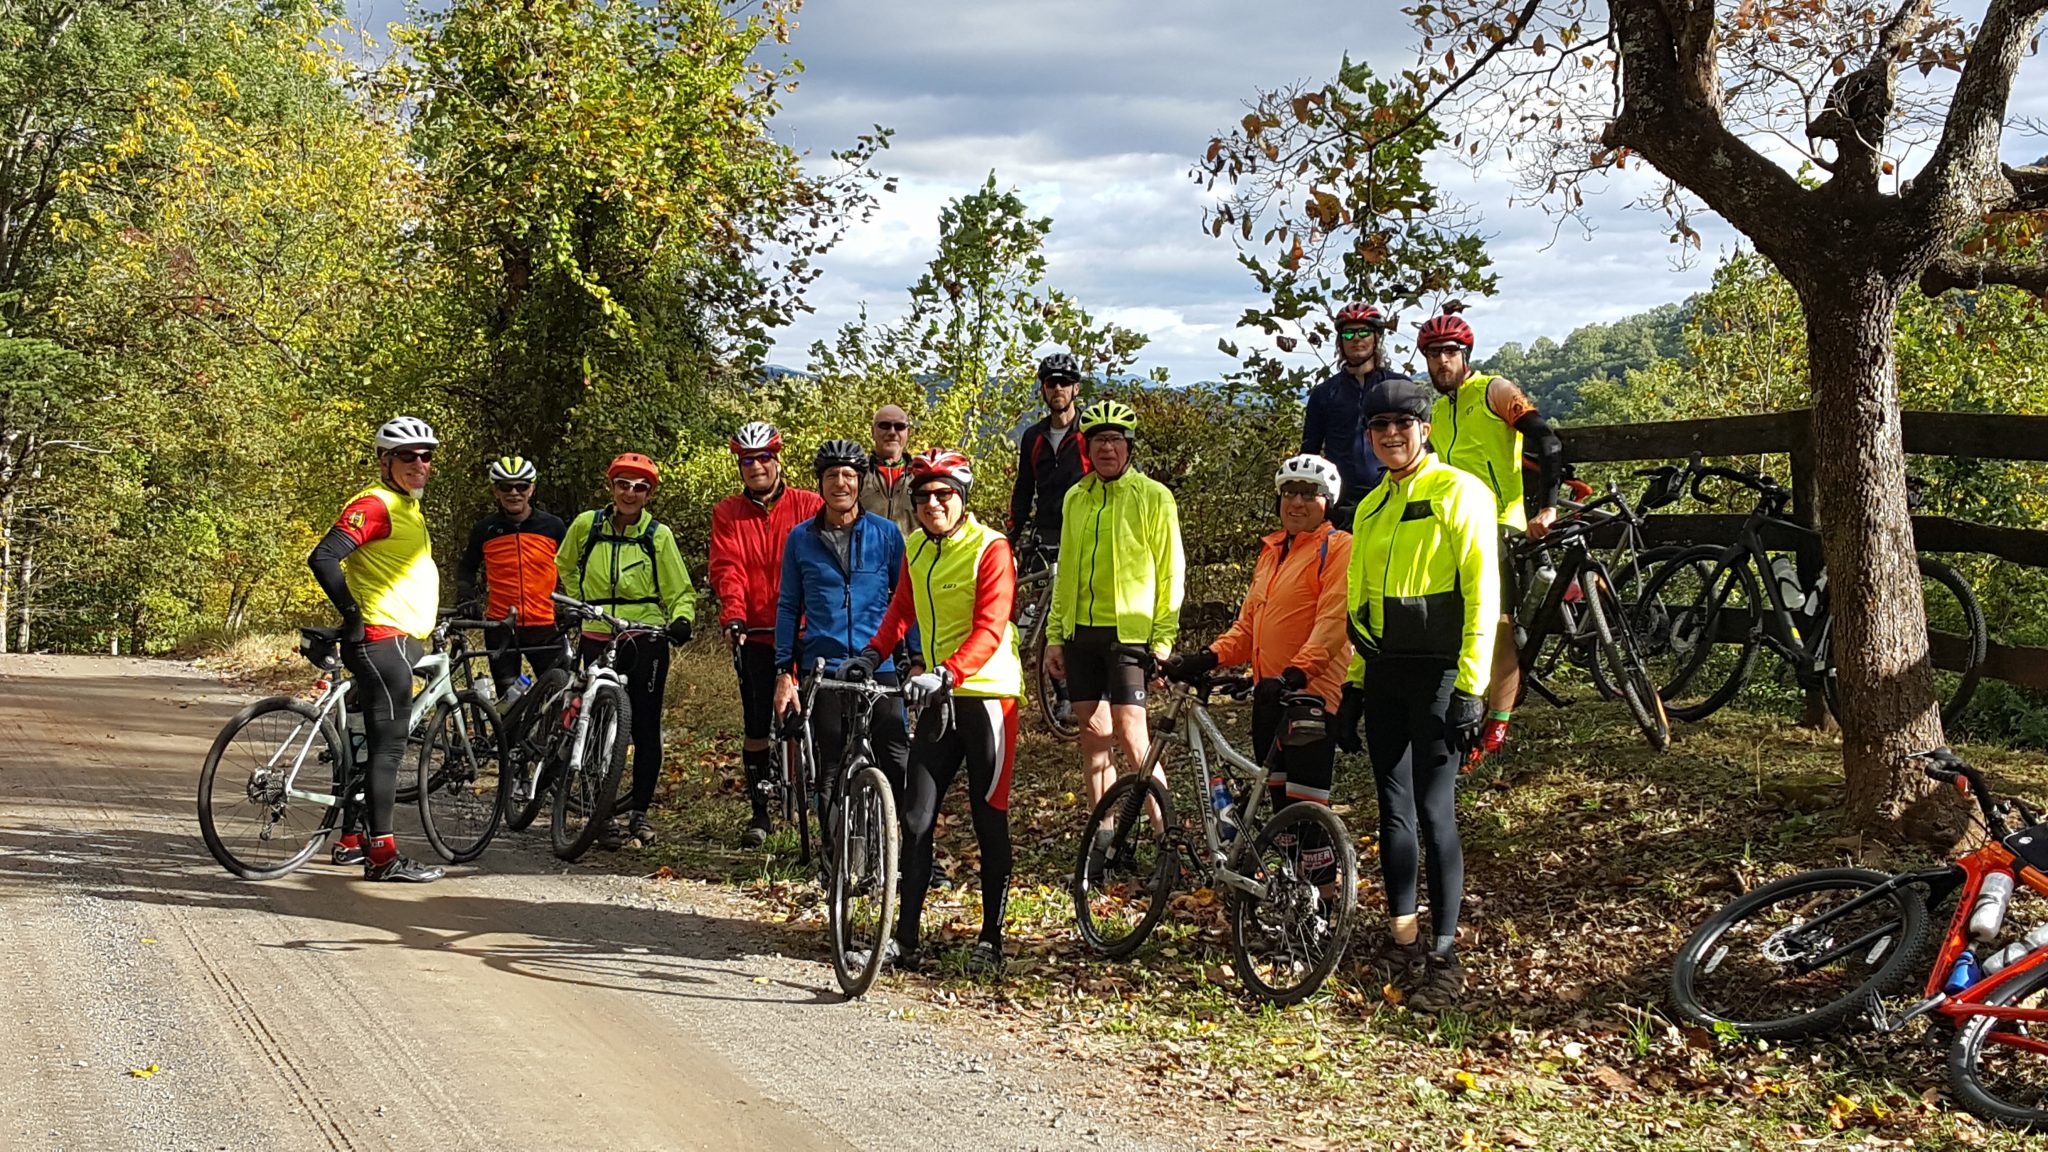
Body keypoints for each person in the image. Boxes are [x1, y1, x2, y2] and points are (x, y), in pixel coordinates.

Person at [1334, 379, 1499, 1011]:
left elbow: (1485, 594)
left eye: (1403, 424)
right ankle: (1402, 937)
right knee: (1392, 811)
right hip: (1384, 676)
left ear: (1423, 429)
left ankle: (1444, 954)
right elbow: (1361, 605)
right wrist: (1352, 688)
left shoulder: (1460, 492)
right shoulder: (1371, 505)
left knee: (1435, 811)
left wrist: (1471, 686)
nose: (1391, 435)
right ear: (1370, 436)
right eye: (1380, 427)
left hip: (1439, 676)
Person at [844, 448, 1022, 975]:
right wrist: (873, 655)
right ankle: (905, 939)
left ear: (962, 498)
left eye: (943, 494)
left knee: (989, 820)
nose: (932, 504)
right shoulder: (917, 548)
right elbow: (902, 609)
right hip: (938, 698)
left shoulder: (991, 548)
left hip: (988, 697)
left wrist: (948, 671)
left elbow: (992, 626)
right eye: (922, 496)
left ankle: (991, 937)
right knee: (916, 819)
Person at [1163, 454, 1352, 830]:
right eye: (1289, 493)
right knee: (1280, 805)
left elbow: (1332, 623)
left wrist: (1296, 674)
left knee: (1308, 811)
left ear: (1326, 502)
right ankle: (1288, 888)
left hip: (1309, 696)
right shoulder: (1271, 552)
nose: (1296, 502)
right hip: (1268, 693)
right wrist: (1207, 658)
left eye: (1308, 493)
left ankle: (1325, 891)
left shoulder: (1337, 547)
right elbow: (1249, 625)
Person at [1416, 309, 1564, 765]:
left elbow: (1548, 441)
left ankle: (1496, 727)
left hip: (1500, 525)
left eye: (1449, 352)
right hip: (1452, 528)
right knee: (1448, 623)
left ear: (1466, 354)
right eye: (1433, 354)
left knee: (1495, 628)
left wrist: (1548, 505)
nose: (1442, 362)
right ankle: (1455, 711)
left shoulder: (1494, 391)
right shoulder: (1437, 412)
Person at [305, 416, 445, 882]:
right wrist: (351, 616)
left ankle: (350, 841)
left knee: (366, 745)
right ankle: (383, 858)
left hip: (396, 640)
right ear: (386, 461)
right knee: (388, 750)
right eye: (408, 456)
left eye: (427, 456)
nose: (420, 464)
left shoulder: (406, 506)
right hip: (381, 642)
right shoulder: (378, 504)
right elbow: (323, 556)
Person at [1042, 398, 1185, 806]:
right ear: (1086, 448)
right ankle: (1100, 837)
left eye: (1115, 440)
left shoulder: (1153, 497)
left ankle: (1166, 835)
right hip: (1081, 634)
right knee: (1094, 740)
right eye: (1098, 440)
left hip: (1129, 636)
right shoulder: (1075, 498)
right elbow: (1065, 571)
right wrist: (1056, 636)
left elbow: (1171, 572)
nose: (1107, 448)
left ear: (1129, 446)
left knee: (1132, 734)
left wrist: (1161, 642)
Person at [558, 452, 698, 850]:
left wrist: (682, 619)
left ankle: (639, 812)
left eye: (640, 487)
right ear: (611, 487)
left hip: (644, 637)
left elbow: (680, 589)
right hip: (598, 632)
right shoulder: (588, 525)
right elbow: (566, 564)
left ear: (649, 494)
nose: (630, 493)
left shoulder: (658, 535)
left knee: (645, 725)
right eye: (623, 484)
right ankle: (596, 811)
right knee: (594, 723)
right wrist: (579, 600)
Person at [773, 439, 912, 797]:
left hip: (877, 661)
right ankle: (833, 846)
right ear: (820, 483)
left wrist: (917, 661)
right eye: (831, 475)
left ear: (860, 481)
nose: (840, 483)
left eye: (849, 475)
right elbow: (789, 606)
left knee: (897, 757)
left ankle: (902, 844)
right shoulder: (800, 538)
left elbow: (907, 601)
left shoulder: (886, 534)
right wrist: (784, 672)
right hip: (823, 663)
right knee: (830, 763)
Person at [709, 420, 824, 847]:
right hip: (756, 630)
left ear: (777, 460)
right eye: (747, 460)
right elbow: (727, 568)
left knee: (814, 717)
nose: (756, 466)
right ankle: (760, 811)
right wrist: (733, 616)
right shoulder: (728, 513)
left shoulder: (809, 504)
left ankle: (818, 799)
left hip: (807, 629)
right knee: (756, 723)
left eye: (763, 458)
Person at [456, 455, 568, 695]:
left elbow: (573, 568)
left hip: (546, 626)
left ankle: (545, 733)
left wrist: (572, 604)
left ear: (532, 488)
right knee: (509, 700)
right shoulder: (485, 529)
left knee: (560, 696)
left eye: (522, 486)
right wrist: (466, 596)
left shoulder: (553, 526)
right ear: (495, 491)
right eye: (506, 487)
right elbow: (466, 567)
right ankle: (513, 733)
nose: (514, 493)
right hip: (501, 626)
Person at [1302, 302, 1405, 530]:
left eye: (1364, 332)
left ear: (1376, 338)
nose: (1356, 338)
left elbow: (1421, 445)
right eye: (1348, 333)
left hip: (1394, 497)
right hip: (1341, 505)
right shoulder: (1324, 393)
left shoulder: (1398, 387)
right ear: (1340, 342)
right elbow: (1309, 453)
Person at [1008, 352, 1090, 550]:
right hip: (1045, 535)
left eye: (1064, 382)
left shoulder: (1089, 433)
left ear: (1076, 389)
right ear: (1043, 390)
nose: (1058, 389)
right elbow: (1024, 489)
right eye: (1051, 383)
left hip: (1085, 531)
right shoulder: (1032, 437)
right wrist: (1012, 536)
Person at [859, 404, 917, 536]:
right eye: (884, 426)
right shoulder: (856, 475)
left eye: (899, 426)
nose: (892, 432)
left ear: (908, 432)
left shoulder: (921, 477)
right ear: (872, 431)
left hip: (912, 556)